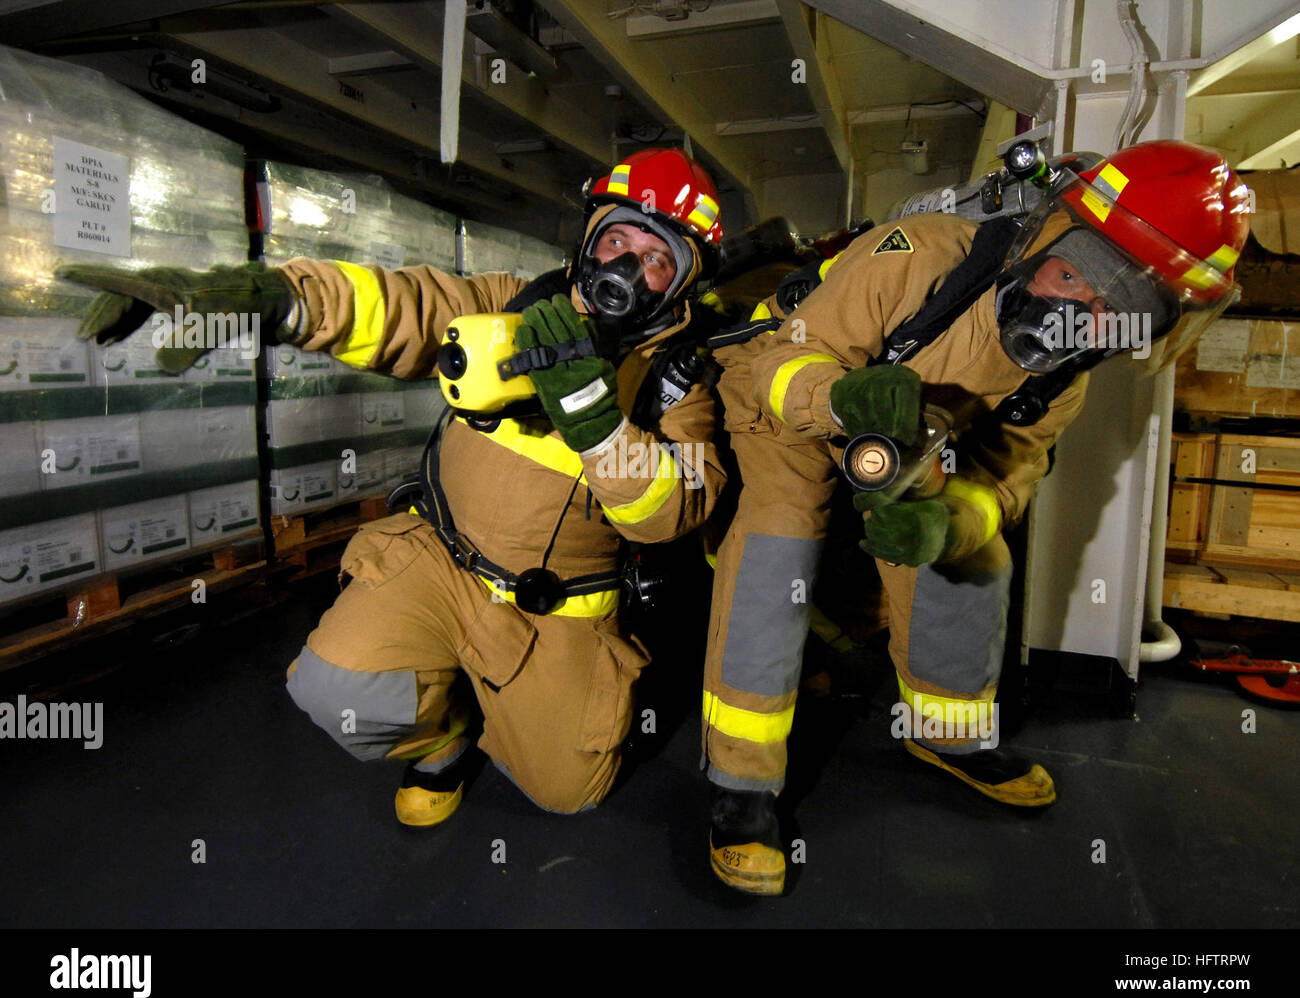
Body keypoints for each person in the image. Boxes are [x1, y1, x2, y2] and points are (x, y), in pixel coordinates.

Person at [59, 147, 729, 822]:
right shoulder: (512, 306)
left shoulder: (680, 385)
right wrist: (276, 298)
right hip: (444, 562)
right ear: (589, 239)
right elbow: (399, 305)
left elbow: (670, 512)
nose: (623, 268)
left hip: (555, 606)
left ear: (681, 281)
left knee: (568, 793)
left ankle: (498, 698)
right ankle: (442, 740)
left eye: (653, 257)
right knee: (334, 688)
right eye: (615, 239)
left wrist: (594, 417)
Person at [701, 139, 1252, 895]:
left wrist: (949, 526)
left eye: (1116, 308)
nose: (1076, 314)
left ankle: (946, 735)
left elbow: (1005, 481)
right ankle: (740, 785)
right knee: (779, 547)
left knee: (977, 559)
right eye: (1079, 275)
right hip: (787, 396)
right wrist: (841, 401)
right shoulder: (922, 256)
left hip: (909, 438)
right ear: (1048, 236)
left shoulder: (1060, 384)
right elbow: (787, 362)